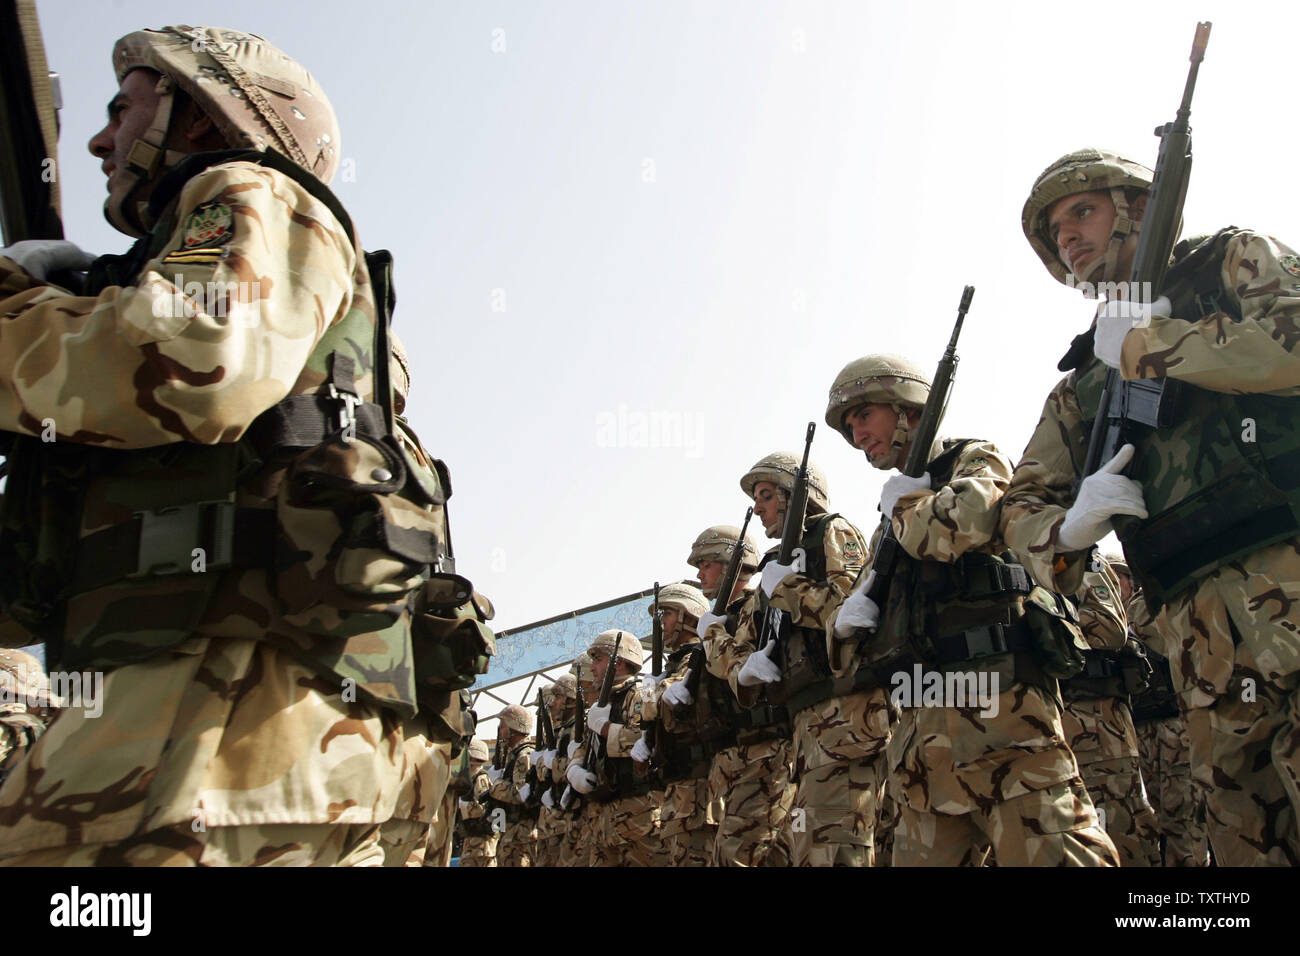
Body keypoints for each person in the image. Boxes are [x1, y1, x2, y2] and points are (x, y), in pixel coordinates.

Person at [0, 26, 474, 866]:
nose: (102, 139)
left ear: (202, 115)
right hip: (222, 738)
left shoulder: (249, 188)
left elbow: (195, 358)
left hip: (217, 738)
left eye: (126, 105)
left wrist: (18, 317)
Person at [1006, 147, 1300, 865]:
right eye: (1055, 229)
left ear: (1137, 207)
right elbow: (1021, 505)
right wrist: (1068, 529)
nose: (1069, 236)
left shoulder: (1231, 263)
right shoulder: (1081, 384)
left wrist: (1156, 344)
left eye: (1083, 211)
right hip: (1202, 650)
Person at [824, 355, 1118, 866]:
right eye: (849, 428)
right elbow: (853, 655)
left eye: (863, 416)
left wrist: (902, 507)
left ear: (906, 409)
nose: (857, 435)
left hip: (1003, 721)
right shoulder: (886, 527)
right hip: (921, 745)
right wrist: (843, 625)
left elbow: (968, 519)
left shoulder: (972, 460)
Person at [705, 451, 879, 866]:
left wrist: (792, 589)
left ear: (795, 497)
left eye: (766, 495)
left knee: (835, 849)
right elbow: (743, 644)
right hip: (805, 726)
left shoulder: (831, 533)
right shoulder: (770, 567)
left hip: (848, 716)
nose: (758, 508)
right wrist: (727, 652)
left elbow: (855, 612)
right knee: (808, 850)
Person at [1107, 554, 1210, 866]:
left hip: (1173, 726)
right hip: (1138, 730)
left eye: (1119, 576)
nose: (1113, 583)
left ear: (1131, 579)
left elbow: (1173, 646)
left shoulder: (1146, 606)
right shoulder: (1106, 615)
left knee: (1183, 817)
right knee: (1153, 816)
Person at [1060, 555, 1160, 866]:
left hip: (1098, 728)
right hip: (1039, 729)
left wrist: (1040, 617)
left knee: (1121, 834)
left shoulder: (1076, 554)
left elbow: (1110, 630)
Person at [637, 582, 718, 866]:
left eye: (666, 614)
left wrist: (649, 691)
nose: (661, 625)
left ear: (688, 615)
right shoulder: (676, 663)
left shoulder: (698, 655)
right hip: (678, 787)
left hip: (697, 787)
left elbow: (658, 704)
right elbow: (646, 712)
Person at [565, 630, 661, 866]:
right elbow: (585, 747)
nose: (593, 667)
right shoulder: (602, 703)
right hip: (603, 819)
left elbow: (649, 739)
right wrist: (575, 767)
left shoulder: (640, 694)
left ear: (618, 664)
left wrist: (608, 728)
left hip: (638, 815)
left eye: (598, 659)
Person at [486, 704, 537, 867]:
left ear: (513, 728)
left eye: (503, 727)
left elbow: (522, 795)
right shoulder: (513, 755)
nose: (501, 732)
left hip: (521, 836)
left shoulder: (524, 755)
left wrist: (496, 785)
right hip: (511, 833)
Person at [456, 739, 498, 867]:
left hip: (481, 845)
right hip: (473, 841)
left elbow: (484, 808)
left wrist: (464, 806)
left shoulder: (481, 778)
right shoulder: (471, 778)